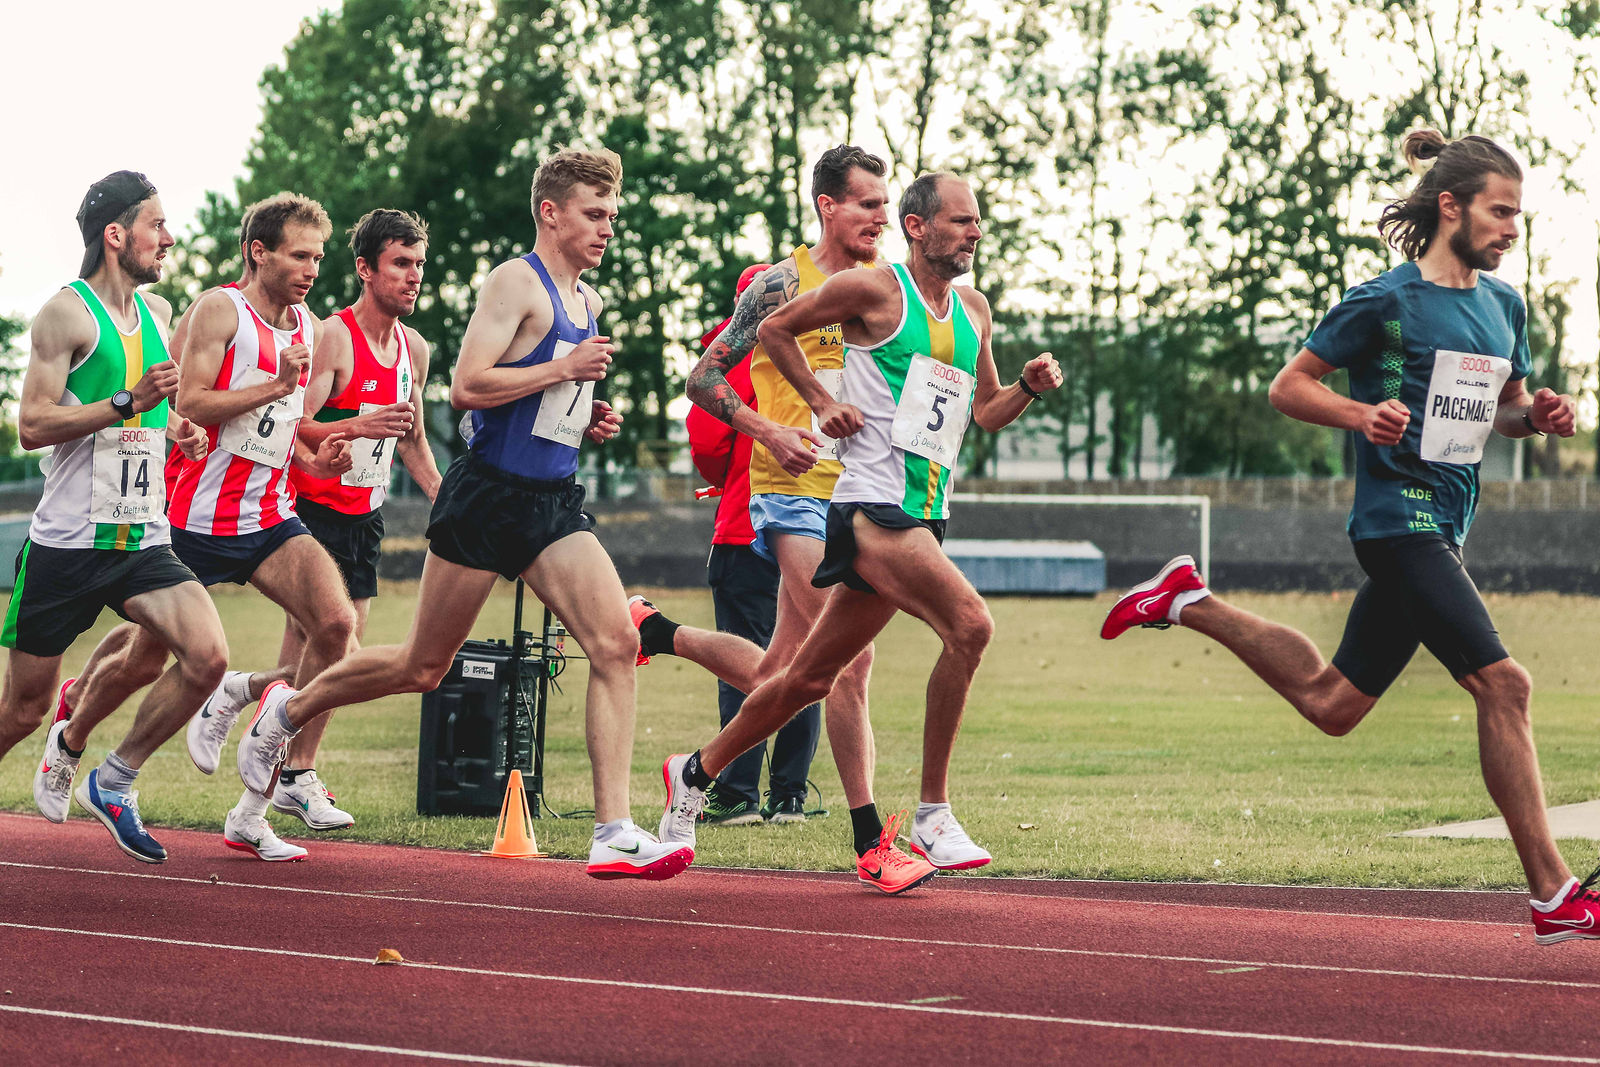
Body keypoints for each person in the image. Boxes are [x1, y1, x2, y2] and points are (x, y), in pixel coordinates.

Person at [1100, 129, 1600, 945]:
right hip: (1396, 523)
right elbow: (1289, 386)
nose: (1514, 228)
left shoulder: (1506, 306)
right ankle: (1552, 892)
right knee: (1504, 684)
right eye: (1501, 211)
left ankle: (1187, 599)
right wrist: (1361, 414)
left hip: (1448, 525)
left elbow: (1504, 413)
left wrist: (1536, 417)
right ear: (1452, 207)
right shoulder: (1385, 300)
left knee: (1333, 704)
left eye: (1519, 213)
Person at [234, 147, 692, 881]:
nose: (609, 228)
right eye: (595, 214)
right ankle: (286, 712)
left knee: (613, 644)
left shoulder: (589, 301)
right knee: (423, 665)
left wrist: (587, 413)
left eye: (613, 215)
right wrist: (565, 370)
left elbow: (543, 401)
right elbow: (468, 386)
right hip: (486, 495)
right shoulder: (516, 281)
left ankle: (612, 829)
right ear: (552, 212)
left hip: (551, 501)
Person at [655, 173, 1062, 892]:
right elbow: (775, 332)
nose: (975, 233)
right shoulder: (877, 293)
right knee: (971, 625)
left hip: (925, 510)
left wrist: (1026, 387)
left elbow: (989, 412)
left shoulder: (973, 309)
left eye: (978, 223)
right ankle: (931, 812)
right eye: (961, 221)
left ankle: (696, 773)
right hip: (871, 510)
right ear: (918, 227)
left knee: (810, 676)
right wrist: (820, 399)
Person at [633, 146, 910, 868]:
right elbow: (703, 379)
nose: (882, 218)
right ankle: (871, 841)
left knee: (783, 676)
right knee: (851, 661)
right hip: (788, 490)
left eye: (886, 205)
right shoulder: (779, 284)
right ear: (828, 205)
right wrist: (768, 430)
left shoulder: (889, 293)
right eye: (868, 204)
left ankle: (679, 712)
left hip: (858, 494)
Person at [10, 170, 225, 863]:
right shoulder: (65, 314)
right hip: (68, 544)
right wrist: (130, 403)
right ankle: (60, 736)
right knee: (23, 707)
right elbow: (34, 424)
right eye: (157, 225)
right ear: (116, 234)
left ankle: (113, 775)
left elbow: (148, 413)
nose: (169, 238)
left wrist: (177, 429)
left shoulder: (159, 318)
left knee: (208, 656)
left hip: (139, 536)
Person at [219, 207, 438, 834]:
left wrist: (442, 498)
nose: (412, 277)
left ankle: (258, 718)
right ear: (366, 270)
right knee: (328, 650)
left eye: (419, 265)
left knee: (336, 658)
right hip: (311, 510)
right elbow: (296, 423)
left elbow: (413, 440)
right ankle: (281, 781)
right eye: (400, 263)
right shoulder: (334, 339)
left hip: (364, 515)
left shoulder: (413, 350)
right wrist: (357, 425)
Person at [159, 191, 360, 861]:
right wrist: (277, 386)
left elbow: (285, 425)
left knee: (335, 630)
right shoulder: (221, 309)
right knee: (143, 657)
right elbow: (191, 400)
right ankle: (73, 721)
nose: (311, 268)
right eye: (300, 255)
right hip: (195, 513)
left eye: (319, 257)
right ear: (259, 251)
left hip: (269, 512)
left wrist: (316, 452)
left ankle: (251, 798)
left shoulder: (307, 324)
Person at [684, 262, 823, 826]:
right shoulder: (819, 352)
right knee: (812, 658)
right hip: (813, 524)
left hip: (745, 525)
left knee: (746, 658)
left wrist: (726, 478)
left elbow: (708, 442)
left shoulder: (732, 360)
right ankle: (789, 793)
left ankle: (737, 789)